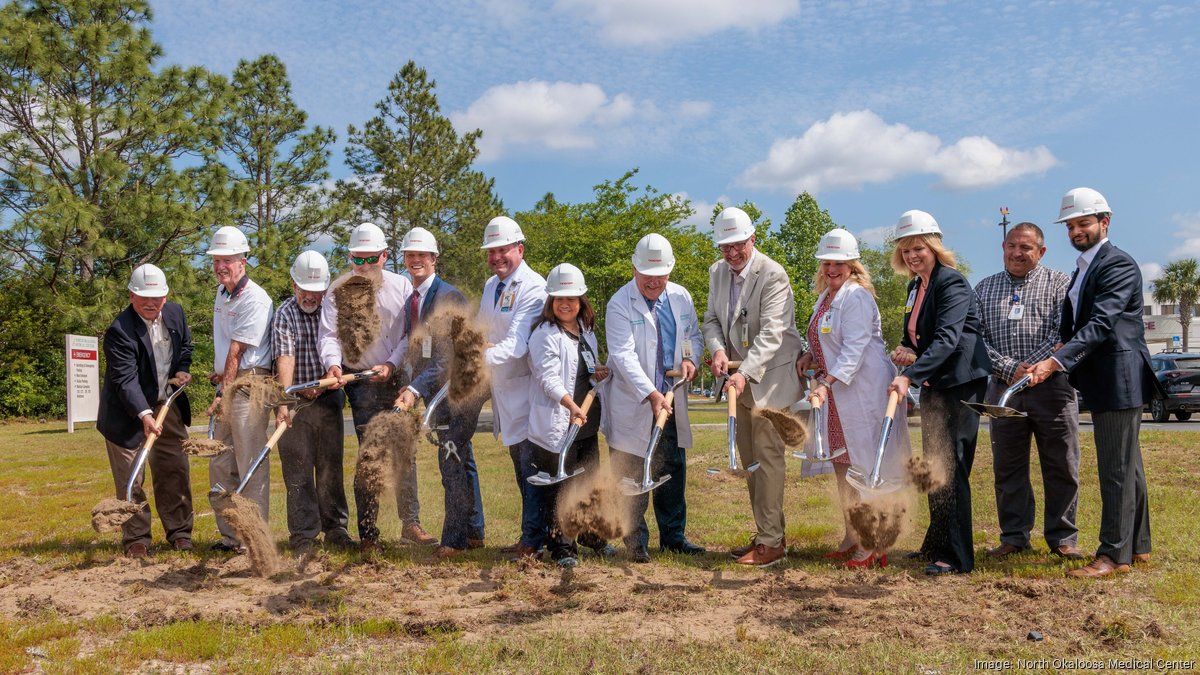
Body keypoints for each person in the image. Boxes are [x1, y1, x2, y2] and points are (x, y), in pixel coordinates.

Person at [1028, 187, 1162, 578]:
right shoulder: (1084, 267)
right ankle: (1139, 546)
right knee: (1129, 465)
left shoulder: (1117, 264)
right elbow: (1081, 322)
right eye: (1070, 225)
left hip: (1118, 377)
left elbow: (1102, 323)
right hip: (1104, 377)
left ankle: (1113, 555)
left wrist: (1056, 361)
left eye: (1083, 222)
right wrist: (1061, 344)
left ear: (1105, 221)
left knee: (1115, 469)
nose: (1075, 230)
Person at [796, 229, 911, 569]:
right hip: (836, 393)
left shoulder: (856, 297)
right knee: (842, 467)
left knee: (867, 467)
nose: (832, 269)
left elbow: (854, 349)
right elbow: (828, 342)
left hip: (862, 392)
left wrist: (826, 382)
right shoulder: (825, 297)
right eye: (827, 263)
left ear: (852, 264)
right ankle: (852, 535)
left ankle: (874, 542)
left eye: (839, 263)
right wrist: (810, 356)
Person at [887, 210, 990, 575]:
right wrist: (906, 350)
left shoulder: (952, 283)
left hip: (960, 386)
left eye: (919, 248)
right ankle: (936, 544)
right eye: (906, 250)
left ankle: (958, 557)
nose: (913, 255)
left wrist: (909, 375)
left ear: (934, 246)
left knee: (953, 468)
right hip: (935, 385)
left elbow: (948, 339)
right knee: (935, 468)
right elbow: (916, 337)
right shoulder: (916, 286)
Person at [317, 222, 430, 552]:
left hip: (398, 377)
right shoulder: (337, 291)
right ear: (350, 256)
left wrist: (392, 364)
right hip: (360, 381)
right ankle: (368, 534)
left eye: (371, 259)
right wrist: (333, 364)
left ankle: (411, 523)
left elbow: (411, 335)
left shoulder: (403, 288)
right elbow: (328, 336)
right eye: (357, 259)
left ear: (385, 256)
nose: (364, 267)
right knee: (370, 454)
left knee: (402, 452)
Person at [702, 206, 804, 567]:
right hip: (739, 382)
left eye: (738, 245)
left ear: (752, 239)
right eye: (724, 246)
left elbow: (773, 333)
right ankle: (766, 532)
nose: (731, 253)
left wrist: (745, 371)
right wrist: (716, 350)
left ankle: (772, 544)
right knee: (751, 463)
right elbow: (712, 319)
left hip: (770, 381)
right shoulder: (717, 272)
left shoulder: (773, 274)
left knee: (769, 459)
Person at [974, 223, 1082, 561]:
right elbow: (977, 341)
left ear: (1042, 251)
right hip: (1004, 390)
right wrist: (1010, 369)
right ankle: (1014, 536)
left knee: (1062, 465)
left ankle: (1063, 538)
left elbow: (1064, 334)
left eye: (1026, 247)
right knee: (1008, 468)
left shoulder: (1061, 284)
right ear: (1003, 247)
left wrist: (1037, 368)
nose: (1018, 253)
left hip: (1052, 389)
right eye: (1012, 246)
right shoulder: (984, 288)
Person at [606, 234, 706, 563]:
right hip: (634, 398)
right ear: (634, 269)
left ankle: (674, 537)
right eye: (648, 275)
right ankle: (635, 540)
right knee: (631, 469)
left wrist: (690, 359)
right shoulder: (620, 303)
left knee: (672, 466)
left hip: (671, 395)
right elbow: (622, 355)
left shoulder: (680, 297)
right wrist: (648, 393)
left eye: (661, 274)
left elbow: (691, 335)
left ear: (670, 271)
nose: (654, 281)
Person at [390, 227, 486, 560]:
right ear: (404, 259)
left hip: (460, 390)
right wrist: (406, 379)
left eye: (422, 256)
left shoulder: (449, 297)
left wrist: (416, 389)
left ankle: (455, 540)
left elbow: (447, 358)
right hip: (438, 390)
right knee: (463, 458)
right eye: (410, 255)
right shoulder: (412, 301)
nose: (416, 261)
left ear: (434, 258)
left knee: (451, 460)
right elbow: (417, 349)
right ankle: (475, 532)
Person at [96, 264, 195, 557]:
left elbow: (186, 347)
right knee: (132, 476)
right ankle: (137, 537)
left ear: (165, 296)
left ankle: (179, 532)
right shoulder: (119, 331)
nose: (151, 304)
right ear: (131, 296)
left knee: (174, 469)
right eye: (143, 298)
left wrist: (181, 369)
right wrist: (144, 415)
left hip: (167, 405)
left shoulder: (176, 314)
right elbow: (125, 379)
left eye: (157, 298)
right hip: (127, 413)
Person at [526, 264, 611, 568]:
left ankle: (591, 536)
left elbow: (586, 369)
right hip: (561, 422)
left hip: (586, 422)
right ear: (550, 301)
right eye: (559, 298)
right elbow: (547, 378)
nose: (565, 303)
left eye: (572, 298)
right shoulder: (544, 334)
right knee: (563, 487)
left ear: (581, 300)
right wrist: (569, 404)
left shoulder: (586, 331)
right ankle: (563, 547)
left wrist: (597, 370)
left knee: (589, 483)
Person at [273, 251, 355, 555]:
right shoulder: (284, 314)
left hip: (329, 395)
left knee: (330, 466)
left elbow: (339, 350)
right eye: (304, 289)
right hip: (294, 399)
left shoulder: (332, 311)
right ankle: (303, 534)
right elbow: (285, 357)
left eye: (316, 291)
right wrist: (286, 398)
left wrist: (322, 384)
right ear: (294, 285)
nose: (310, 296)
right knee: (297, 469)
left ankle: (336, 529)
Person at [478, 216, 549, 561]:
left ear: (519, 249)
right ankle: (534, 534)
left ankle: (533, 540)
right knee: (520, 467)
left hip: (528, 391)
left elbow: (518, 343)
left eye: (503, 250)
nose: (497, 258)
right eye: (491, 252)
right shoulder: (492, 286)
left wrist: (478, 358)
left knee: (531, 468)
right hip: (503, 390)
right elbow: (483, 330)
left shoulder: (534, 287)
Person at [205, 226, 274, 554]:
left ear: (243, 261)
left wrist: (222, 394)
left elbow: (237, 351)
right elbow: (224, 351)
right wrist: (218, 379)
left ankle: (254, 540)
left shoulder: (256, 298)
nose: (221, 266)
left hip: (248, 384)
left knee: (251, 461)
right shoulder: (222, 293)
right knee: (220, 460)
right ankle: (230, 537)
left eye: (227, 260)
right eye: (216, 260)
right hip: (228, 381)